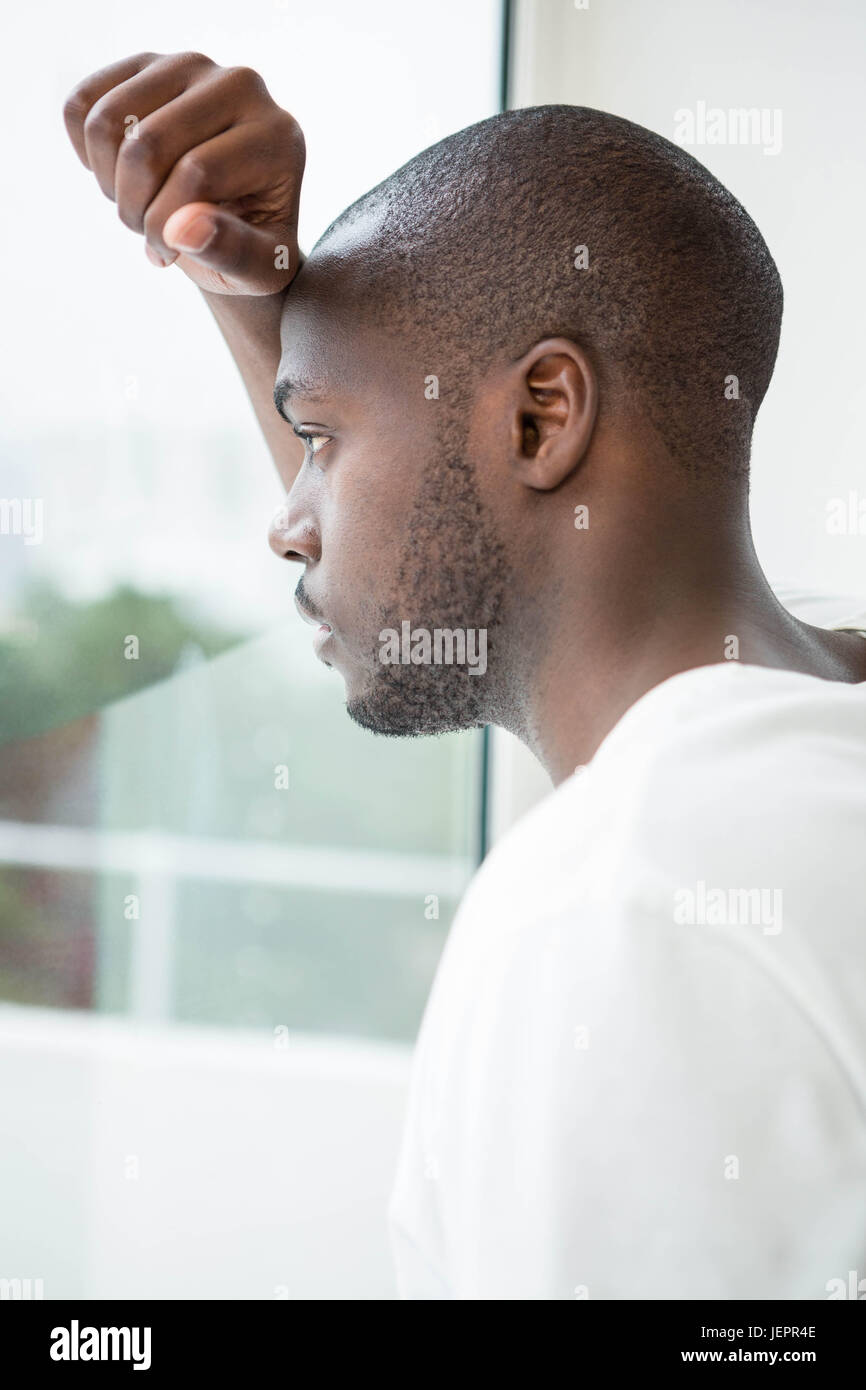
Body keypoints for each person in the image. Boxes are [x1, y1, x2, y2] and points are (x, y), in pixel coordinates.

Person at [64, 52, 866, 1299]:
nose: (287, 520)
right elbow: (478, 562)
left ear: (543, 418)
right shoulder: (806, 699)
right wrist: (258, 310)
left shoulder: (617, 914)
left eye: (318, 437)